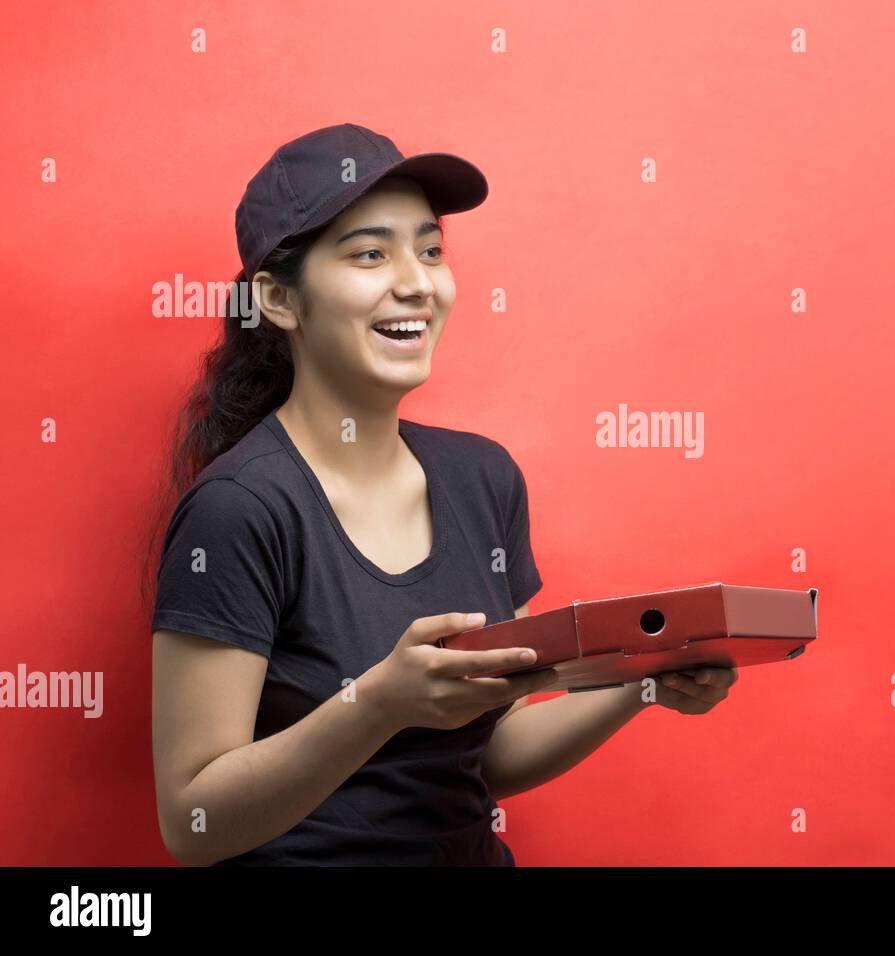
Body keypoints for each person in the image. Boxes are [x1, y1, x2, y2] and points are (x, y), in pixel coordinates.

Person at [144, 124, 737, 866]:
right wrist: (377, 706)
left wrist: (645, 683)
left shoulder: (482, 477)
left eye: (430, 251)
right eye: (370, 253)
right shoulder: (240, 509)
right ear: (281, 301)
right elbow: (192, 824)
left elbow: (498, 748)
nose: (418, 283)